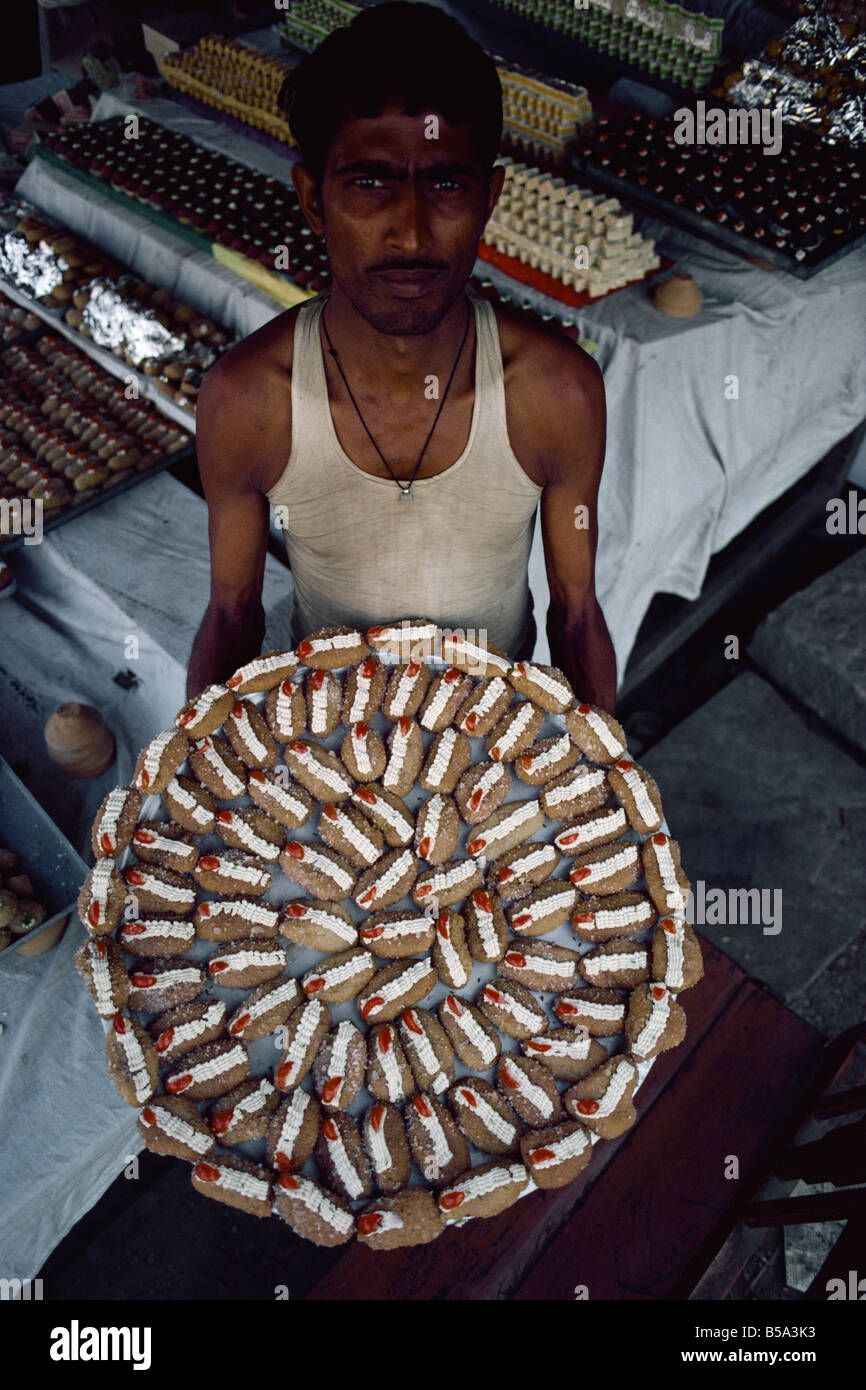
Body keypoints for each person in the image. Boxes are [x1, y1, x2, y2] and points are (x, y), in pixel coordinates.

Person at [188, 1, 617, 711]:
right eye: (369, 183)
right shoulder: (249, 398)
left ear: (489, 199)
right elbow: (233, 614)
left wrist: (607, 770)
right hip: (321, 727)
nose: (410, 230)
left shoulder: (555, 392)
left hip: (496, 732)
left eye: (446, 183)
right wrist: (197, 783)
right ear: (312, 201)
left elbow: (575, 614)